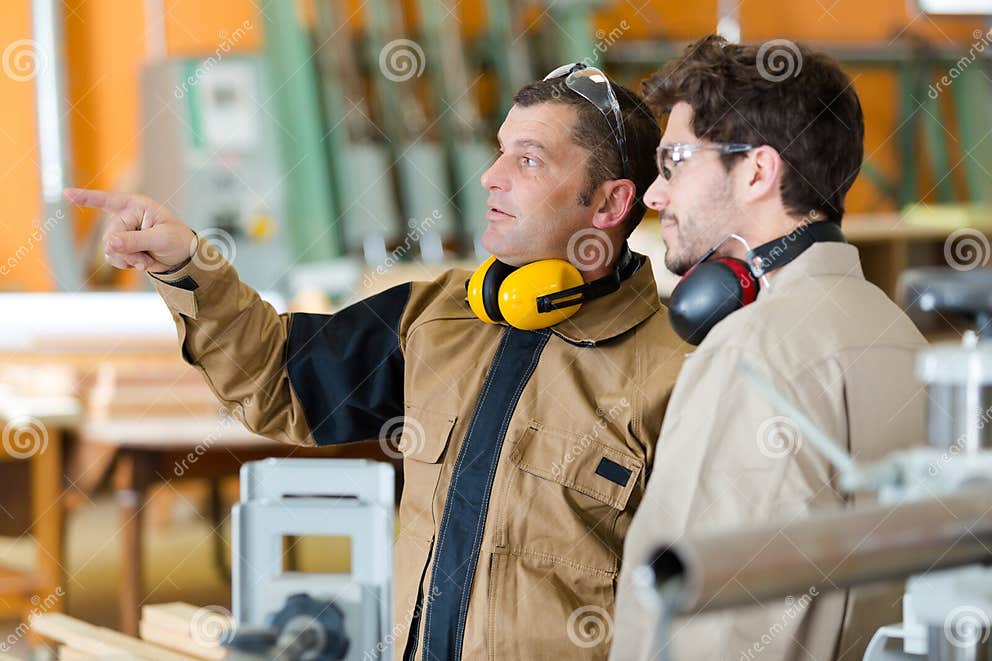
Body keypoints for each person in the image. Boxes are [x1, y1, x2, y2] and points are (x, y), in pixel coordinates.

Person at [65, 65, 686, 660]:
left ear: (608, 205)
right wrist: (186, 266)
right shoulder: (437, 318)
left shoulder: (677, 373)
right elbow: (276, 382)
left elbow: (712, 599)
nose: (491, 177)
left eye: (528, 160)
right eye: (499, 152)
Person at [610, 36, 928, 661]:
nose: (653, 194)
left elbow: (708, 622)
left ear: (757, 170)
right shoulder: (905, 340)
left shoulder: (751, 354)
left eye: (673, 161)